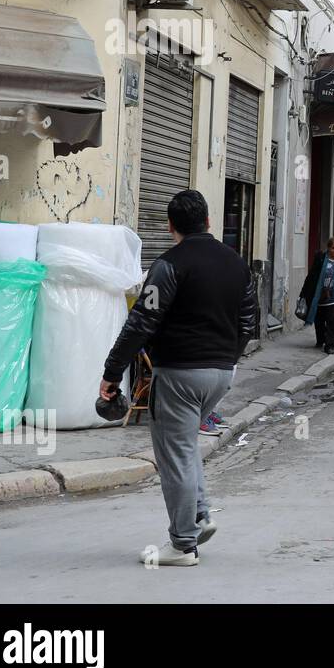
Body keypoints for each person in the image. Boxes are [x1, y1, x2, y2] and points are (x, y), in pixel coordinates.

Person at [100, 189, 257, 567]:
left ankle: (183, 544)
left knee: (174, 457)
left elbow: (141, 322)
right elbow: (249, 323)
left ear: (170, 226)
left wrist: (111, 372)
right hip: (221, 374)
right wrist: (226, 361)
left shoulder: (169, 265)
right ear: (208, 221)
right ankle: (200, 516)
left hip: (180, 373)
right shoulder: (237, 264)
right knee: (185, 449)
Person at [299, 237, 334, 355]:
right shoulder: (321, 259)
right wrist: (303, 293)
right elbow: (311, 276)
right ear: (328, 248)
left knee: (332, 320)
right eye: (333, 248)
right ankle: (320, 340)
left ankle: (329, 345)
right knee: (319, 320)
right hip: (320, 296)